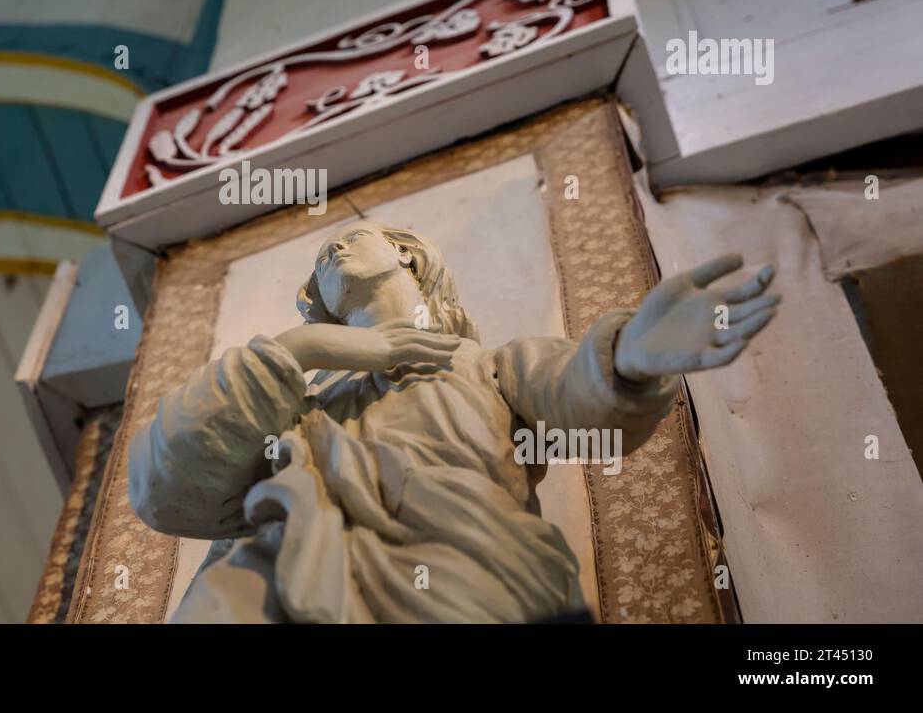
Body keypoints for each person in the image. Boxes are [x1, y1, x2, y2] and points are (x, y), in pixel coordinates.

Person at [128, 221, 779, 622]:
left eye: (355, 236)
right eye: (323, 258)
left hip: (458, 580)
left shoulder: (486, 366)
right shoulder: (296, 408)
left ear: (409, 257)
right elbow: (162, 492)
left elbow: (578, 393)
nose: (333, 244)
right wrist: (300, 352)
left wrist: (629, 357)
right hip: (265, 587)